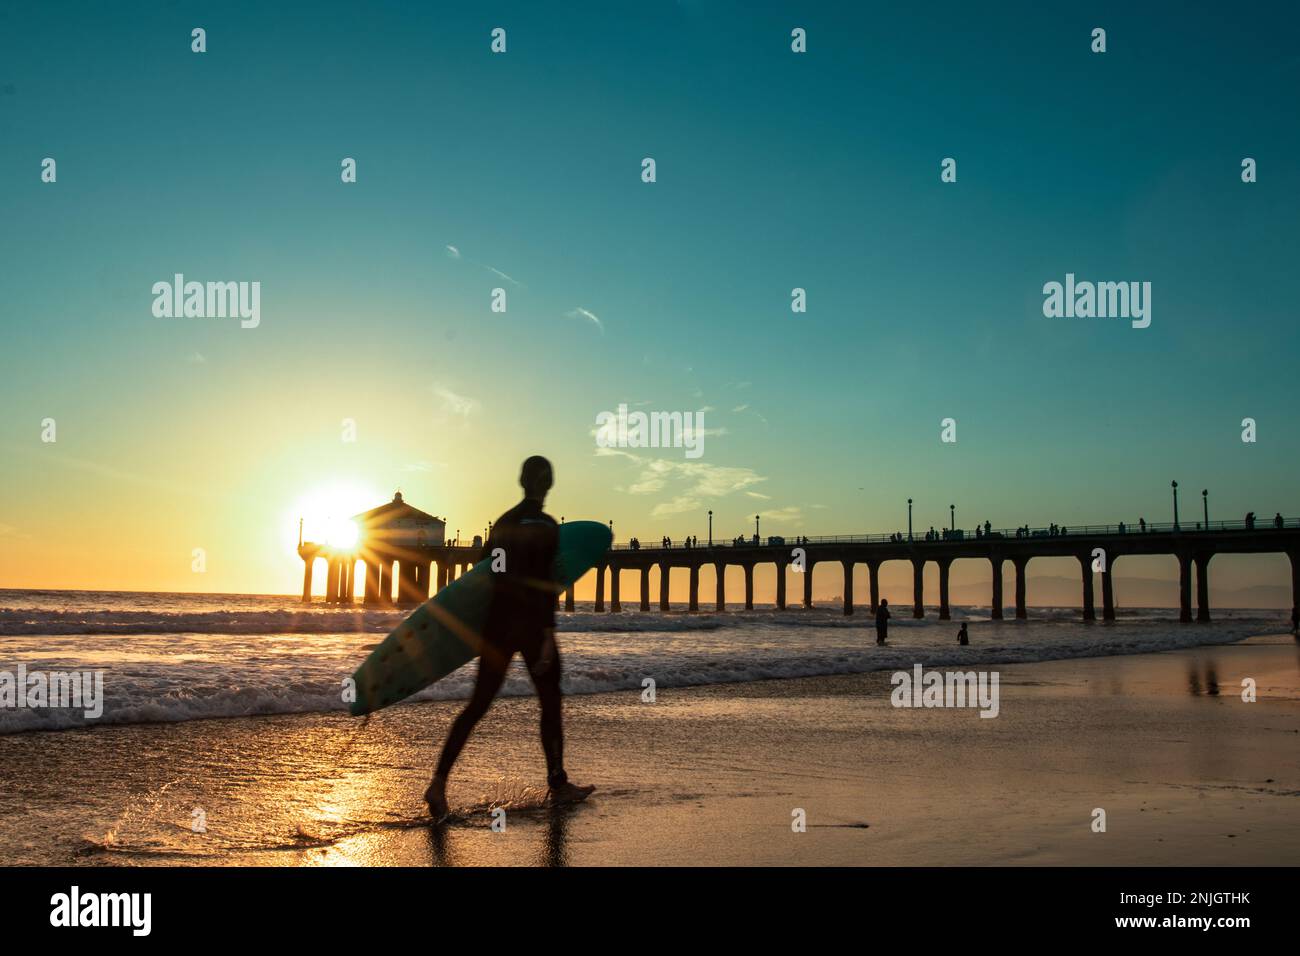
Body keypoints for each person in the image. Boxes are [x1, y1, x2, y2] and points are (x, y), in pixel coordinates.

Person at [425, 456, 594, 821]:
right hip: (532, 626)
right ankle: (558, 784)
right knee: (550, 701)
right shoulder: (547, 526)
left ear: (522, 481)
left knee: (477, 705)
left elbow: (486, 574)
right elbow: (546, 584)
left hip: (498, 625)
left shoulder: (503, 523)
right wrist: (547, 634)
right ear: (547, 484)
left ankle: (438, 783)